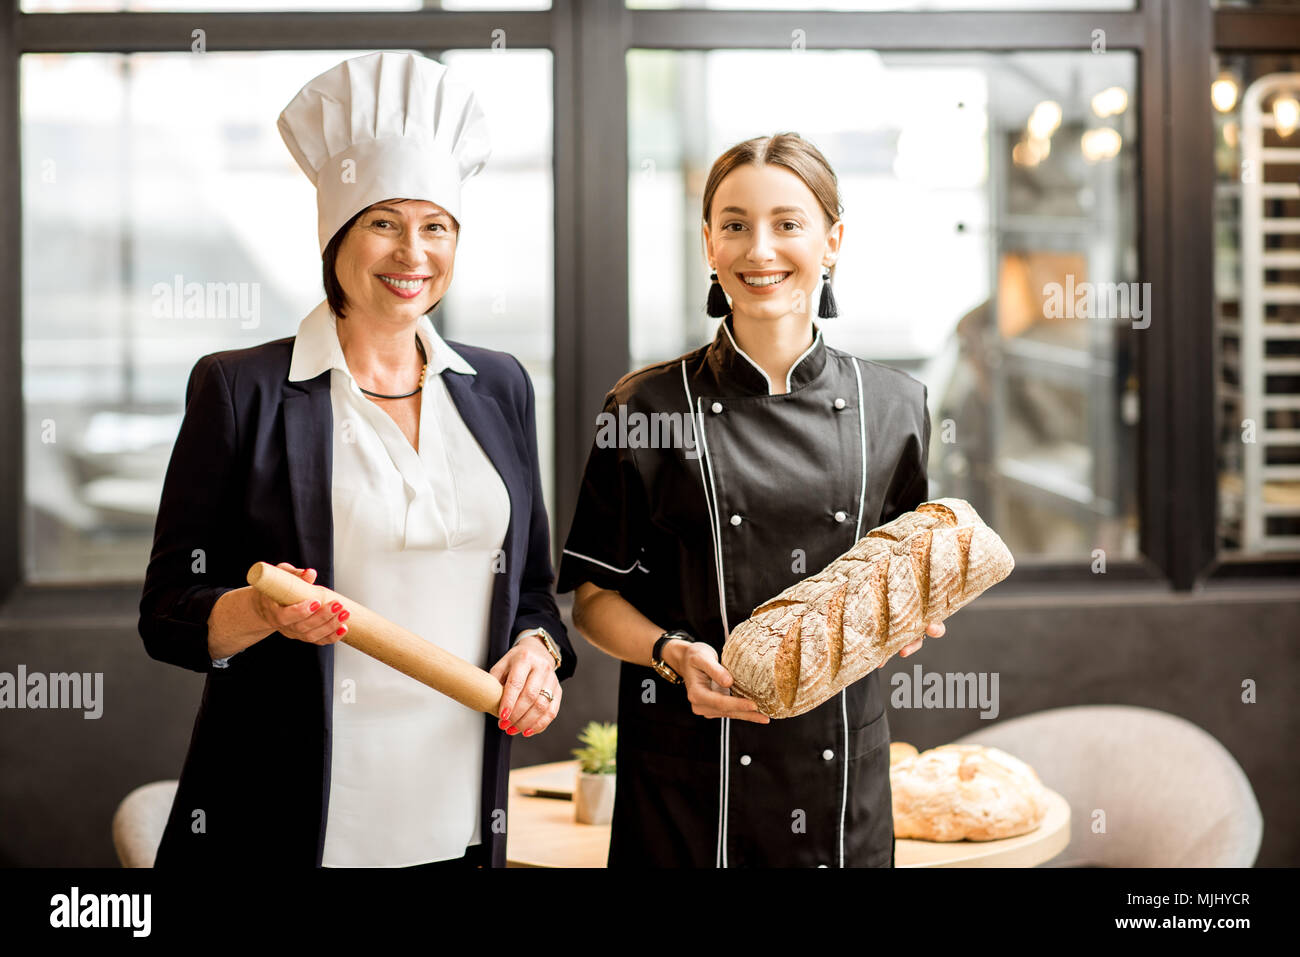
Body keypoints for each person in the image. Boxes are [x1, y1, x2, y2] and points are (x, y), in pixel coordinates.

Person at [137, 52, 573, 869]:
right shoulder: (242, 389)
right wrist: (262, 613)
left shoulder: (501, 387)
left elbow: (535, 596)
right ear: (337, 235)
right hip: (285, 820)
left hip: (460, 814)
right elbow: (167, 612)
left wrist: (536, 653)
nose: (413, 251)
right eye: (383, 221)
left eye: (436, 225)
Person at [558, 132, 943, 868]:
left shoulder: (897, 405)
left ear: (832, 240)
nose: (759, 249)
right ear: (708, 242)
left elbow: (907, 576)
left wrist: (914, 615)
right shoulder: (643, 404)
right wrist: (671, 654)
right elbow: (594, 599)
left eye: (788, 224)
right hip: (686, 790)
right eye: (735, 224)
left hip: (840, 793)